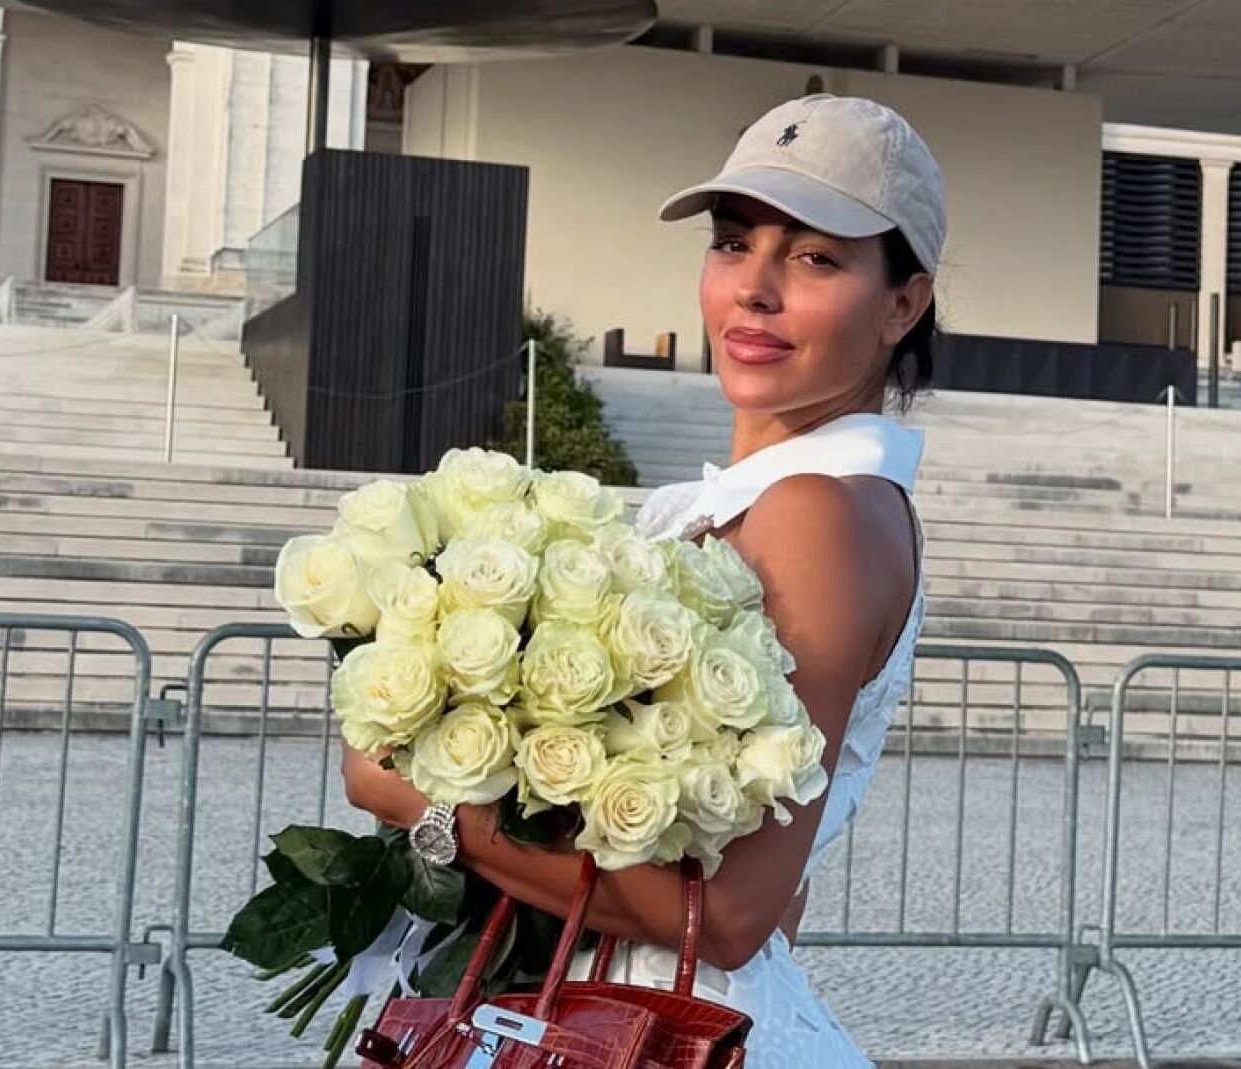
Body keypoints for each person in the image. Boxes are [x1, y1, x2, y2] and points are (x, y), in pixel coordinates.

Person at [342, 93, 944, 1067]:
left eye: (816, 257)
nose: (754, 289)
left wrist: (427, 798)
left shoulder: (819, 514)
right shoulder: (768, 502)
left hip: (658, 1026)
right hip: (605, 997)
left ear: (902, 303)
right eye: (734, 243)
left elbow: (738, 913)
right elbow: (779, 884)